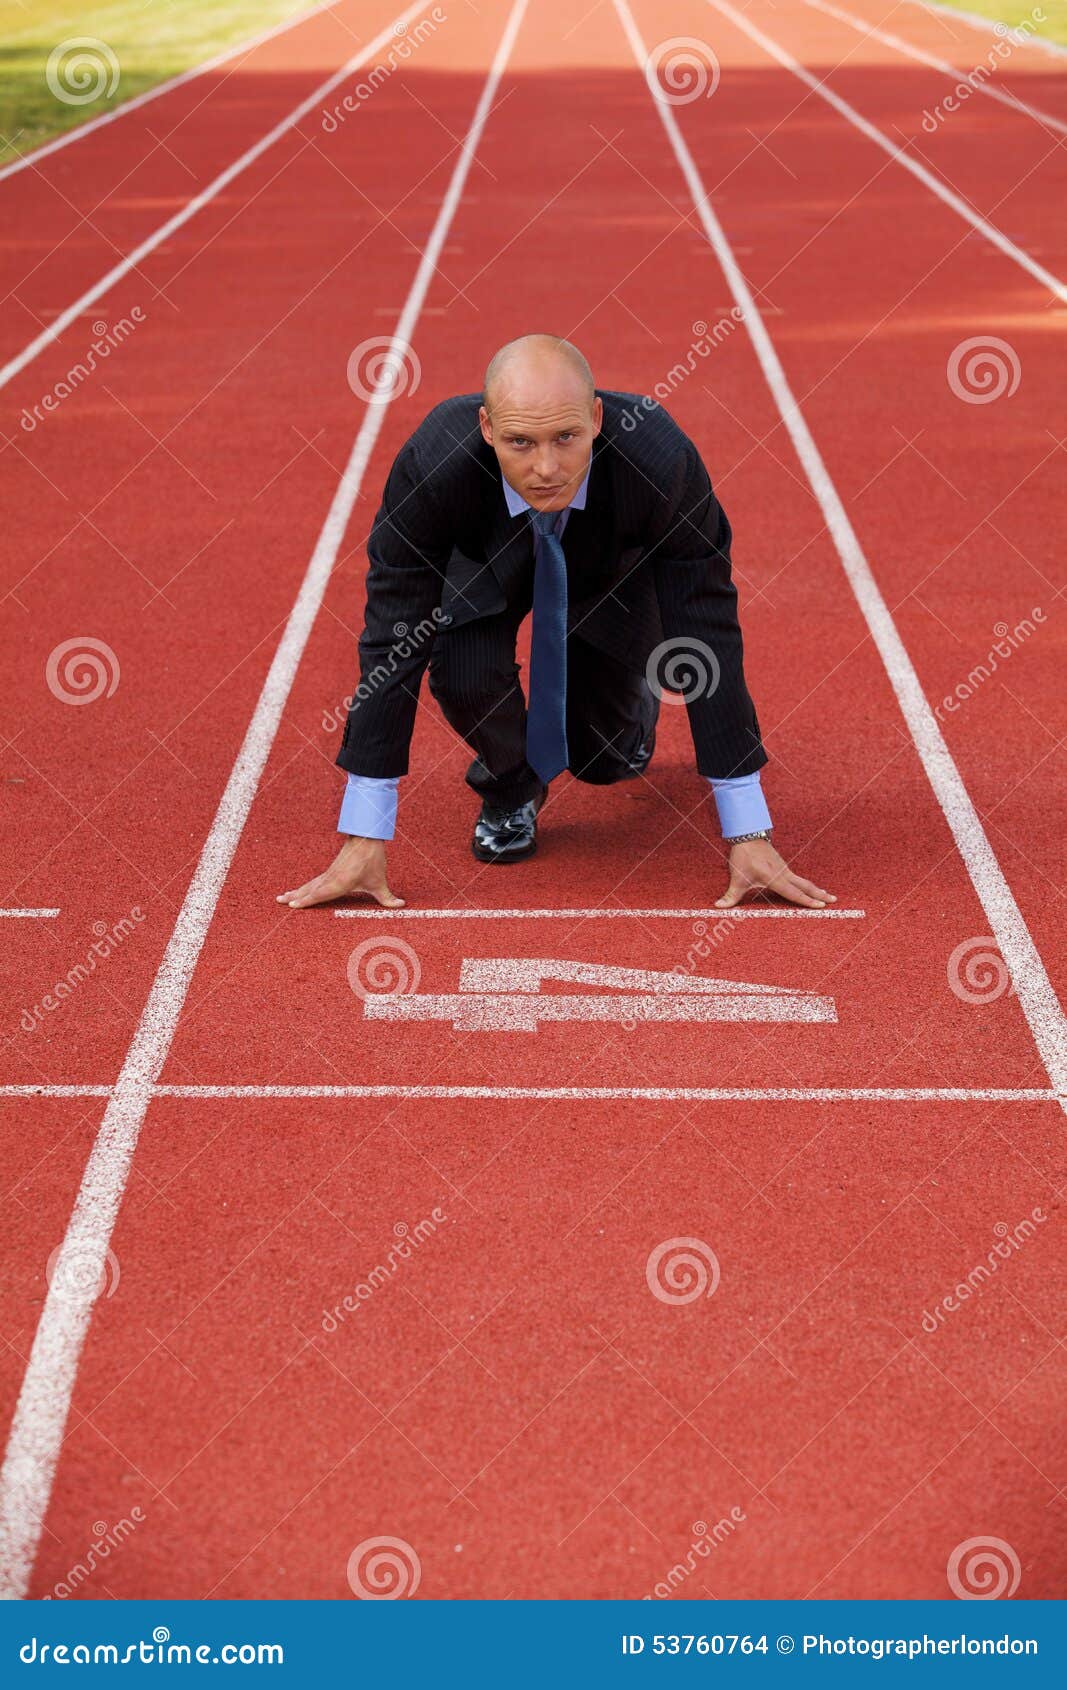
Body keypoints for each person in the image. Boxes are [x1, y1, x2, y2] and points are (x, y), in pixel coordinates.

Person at [277, 335, 833, 912]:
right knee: (460, 672)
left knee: (600, 761)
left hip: (610, 570)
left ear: (595, 418)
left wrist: (749, 832)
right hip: (486, 559)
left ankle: (628, 719)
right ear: (487, 429)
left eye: (566, 438)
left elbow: (706, 624)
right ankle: (513, 788)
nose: (546, 468)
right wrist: (365, 834)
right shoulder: (433, 463)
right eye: (520, 442)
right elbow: (393, 630)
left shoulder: (660, 461)